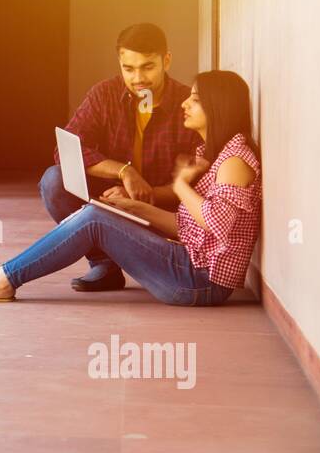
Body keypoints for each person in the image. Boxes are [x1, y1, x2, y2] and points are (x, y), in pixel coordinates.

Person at [0, 70, 260, 307]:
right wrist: (133, 209)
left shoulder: (235, 161)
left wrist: (180, 184)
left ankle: (4, 279)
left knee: (94, 219)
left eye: (195, 99)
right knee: (98, 213)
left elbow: (215, 223)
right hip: (190, 269)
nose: (185, 104)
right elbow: (187, 228)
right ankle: (7, 277)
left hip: (198, 282)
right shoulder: (217, 155)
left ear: (217, 107)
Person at [38, 22, 202, 291]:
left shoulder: (188, 103)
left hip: (163, 209)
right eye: (129, 68)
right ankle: (105, 265)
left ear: (167, 61)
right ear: (120, 64)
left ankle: (157, 264)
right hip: (110, 199)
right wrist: (124, 172)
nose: (138, 78)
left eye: (148, 66)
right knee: (54, 180)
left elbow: (197, 181)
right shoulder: (105, 94)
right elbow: (66, 151)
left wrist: (139, 196)